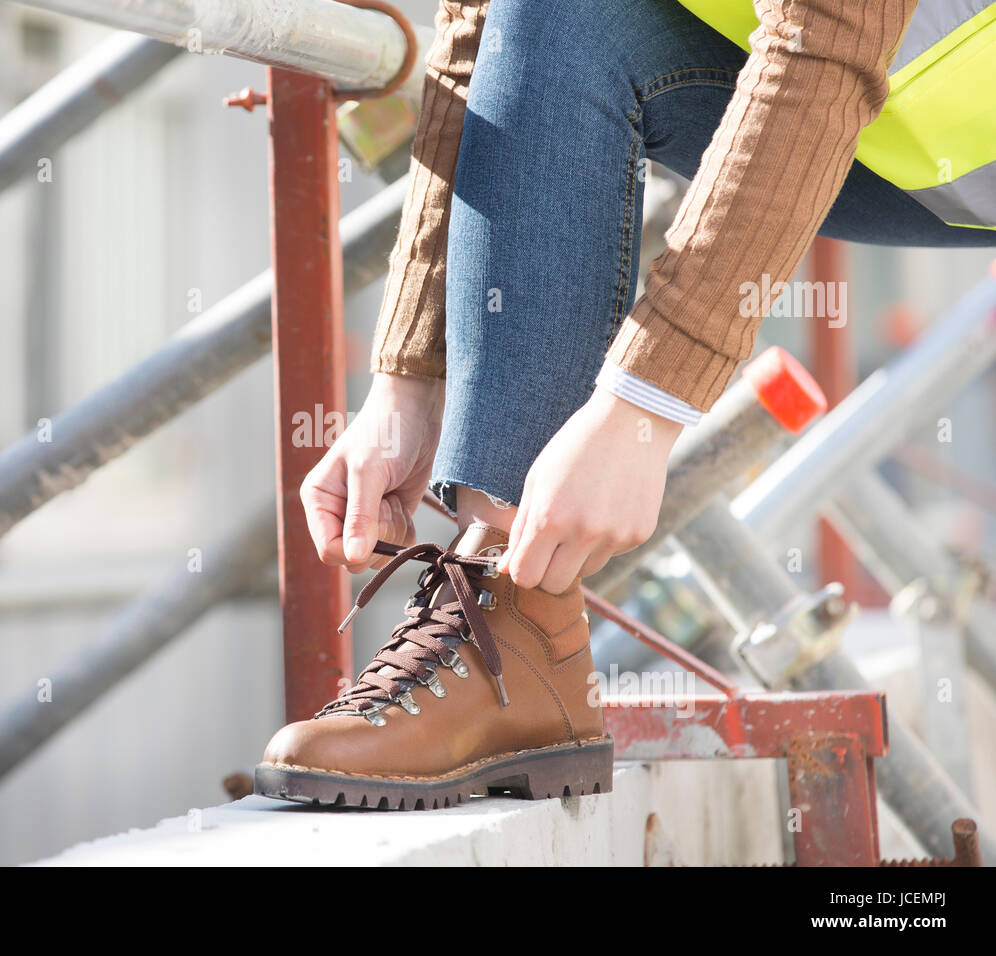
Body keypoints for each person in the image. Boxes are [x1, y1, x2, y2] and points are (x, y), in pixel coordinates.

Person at [253, 0, 996, 809]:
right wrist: (408, 379)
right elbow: (480, 27)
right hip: (915, 120)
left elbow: (826, 39)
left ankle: (512, 615)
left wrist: (644, 406)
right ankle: (514, 614)